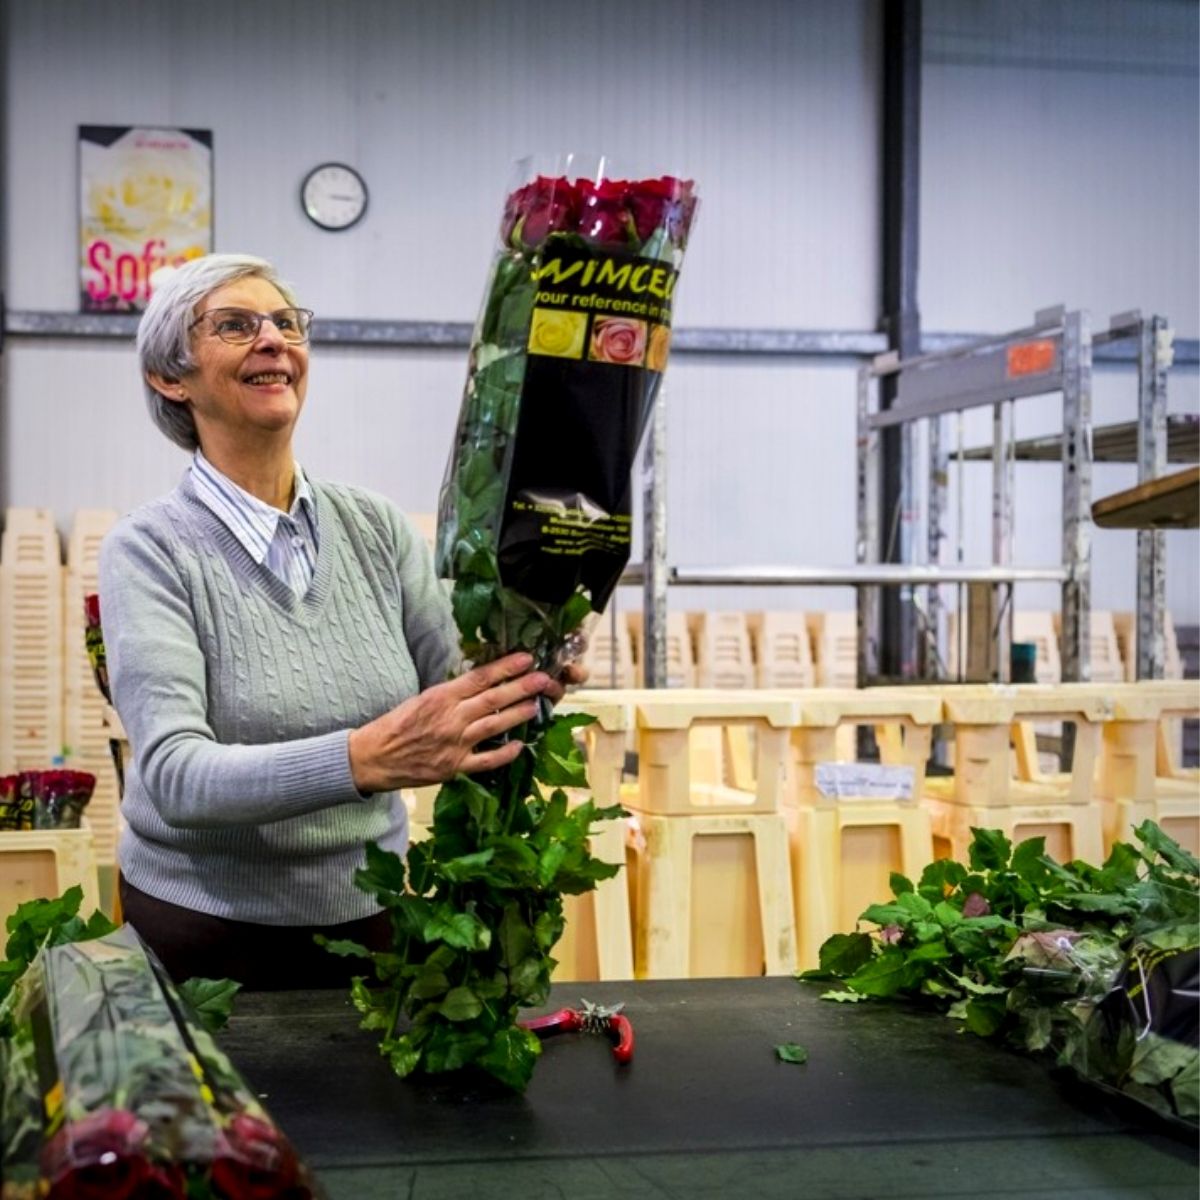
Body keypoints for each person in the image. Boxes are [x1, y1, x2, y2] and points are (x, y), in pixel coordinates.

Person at [99, 253, 579, 989]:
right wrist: (360, 761)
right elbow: (175, 776)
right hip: (205, 935)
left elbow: (460, 690)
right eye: (235, 326)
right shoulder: (150, 549)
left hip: (371, 915)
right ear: (171, 377)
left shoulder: (375, 527)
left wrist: (531, 665)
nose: (273, 339)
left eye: (286, 323)